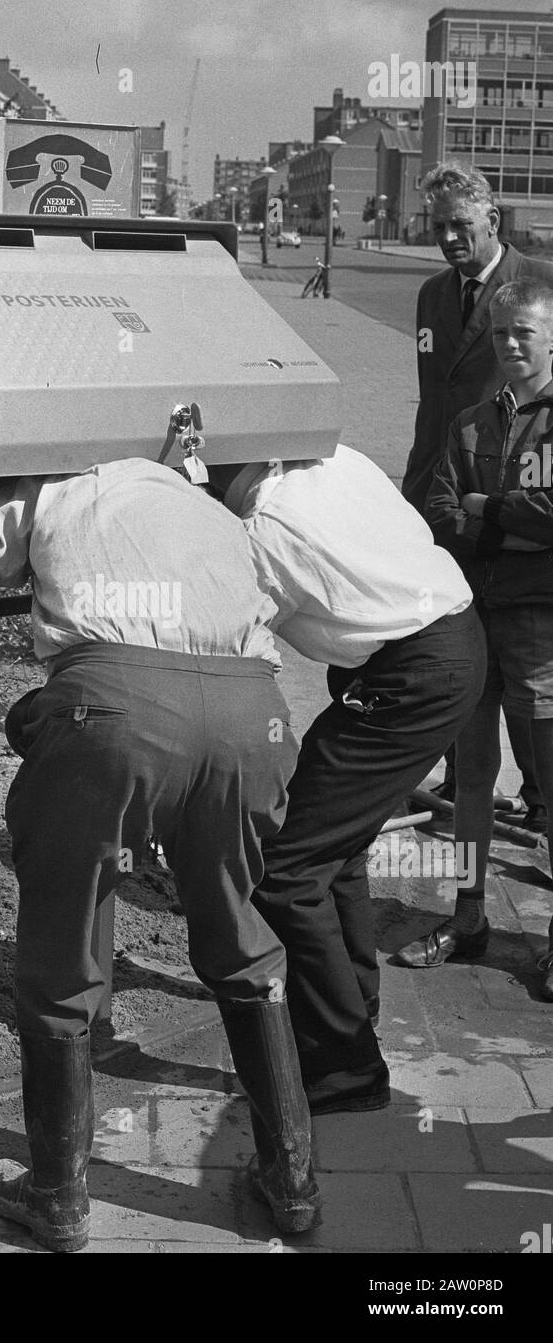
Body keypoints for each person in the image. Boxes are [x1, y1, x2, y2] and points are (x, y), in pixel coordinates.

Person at [0, 456, 321, 1252]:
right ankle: (292, 1181)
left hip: (110, 716)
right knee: (241, 937)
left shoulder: (50, 487)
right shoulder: (207, 509)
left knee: (61, 949)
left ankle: (58, 1196)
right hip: (251, 718)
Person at [211, 447, 486, 1113]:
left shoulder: (262, 532)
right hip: (438, 648)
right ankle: (351, 1011)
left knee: (283, 868)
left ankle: (344, 1069)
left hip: (409, 676)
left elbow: (233, 638)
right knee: (328, 852)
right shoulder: (331, 457)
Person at [397, 279, 553, 1003]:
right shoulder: (466, 424)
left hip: (539, 628)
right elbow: (434, 509)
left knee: (547, 788)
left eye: (522, 332)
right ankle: (467, 916)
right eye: (499, 335)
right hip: (473, 620)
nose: (509, 345)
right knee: (468, 787)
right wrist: (510, 525)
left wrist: (486, 510)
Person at [402, 161, 553, 827]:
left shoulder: (540, 287)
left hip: (520, 498)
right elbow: (432, 400)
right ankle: (466, 787)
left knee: (531, 686)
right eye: (437, 227)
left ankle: (539, 800)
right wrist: (415, 491)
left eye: (459, 225)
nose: (447, 239)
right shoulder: (433, 294)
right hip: (442, 484)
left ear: (491, 219)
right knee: (459, 653)